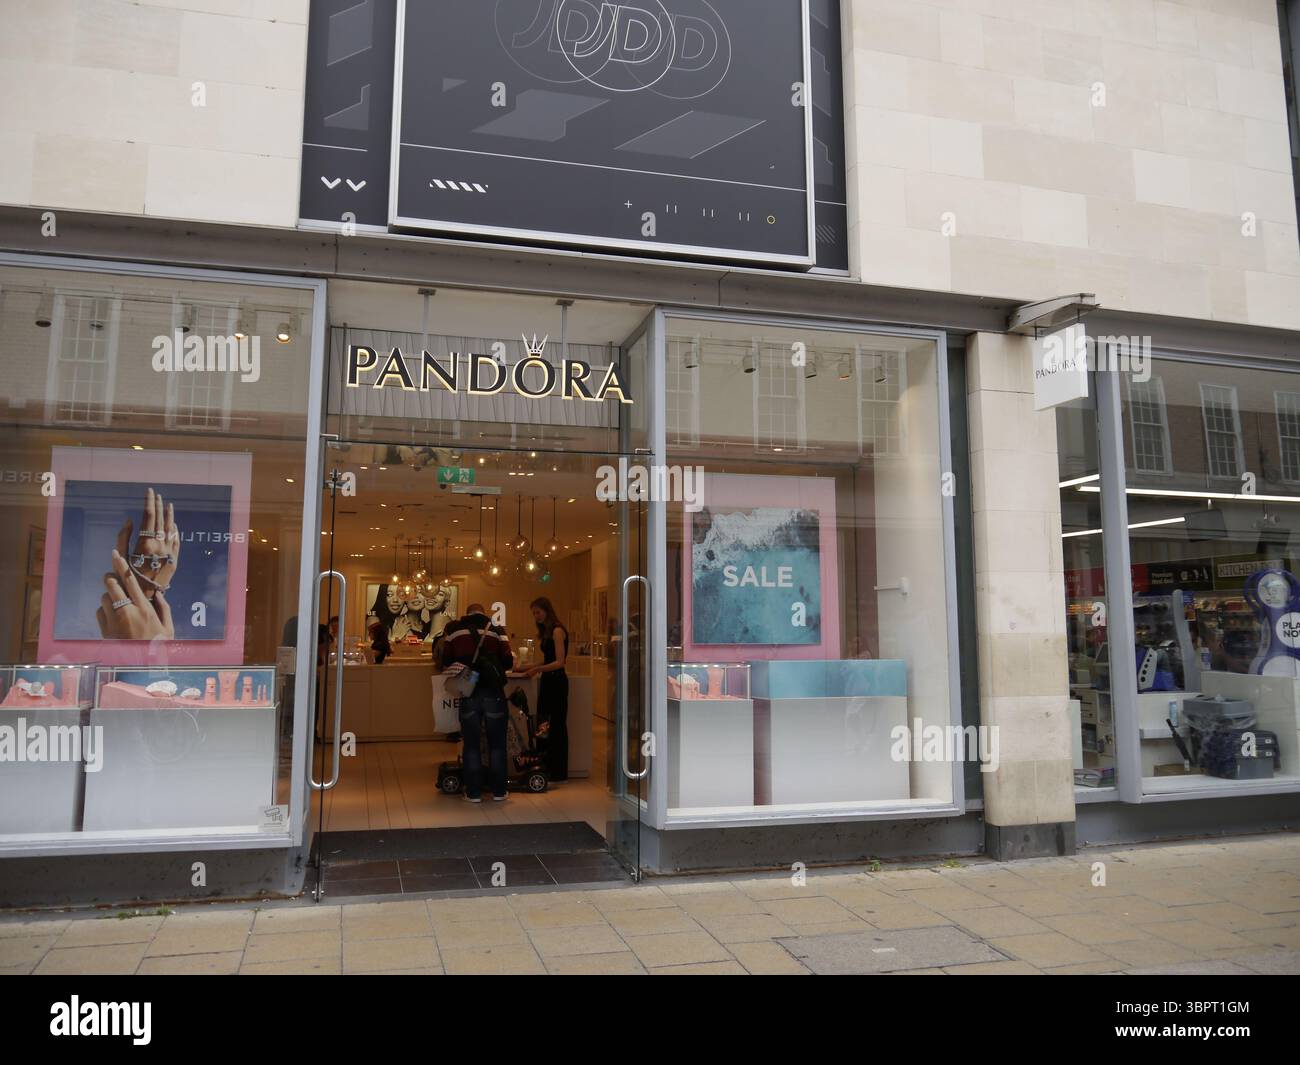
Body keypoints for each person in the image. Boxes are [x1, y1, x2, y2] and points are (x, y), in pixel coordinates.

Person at [444, 603, 513, 801]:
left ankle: (473, 792)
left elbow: (446, 660)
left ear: (467, 613)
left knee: (471, 744)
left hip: (469, 691)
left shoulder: (455, 630)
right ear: (484, 612)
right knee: (497, 744)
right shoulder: (497, 629)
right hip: (493, 692)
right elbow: (508, 662)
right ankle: (499, 791)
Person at [524, 596, 569, 782]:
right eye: (534, 613)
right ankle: (545, 767)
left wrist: (536, 669)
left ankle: (558, 772)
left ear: (547, 611)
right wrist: (531, 667)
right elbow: (549, 659)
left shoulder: (558, 631)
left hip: (557, 682)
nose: (536, 617)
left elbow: (559, 662)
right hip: (548, 681)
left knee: (556, 726)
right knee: (544, 724)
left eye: (538, 612)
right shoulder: (547, 631)